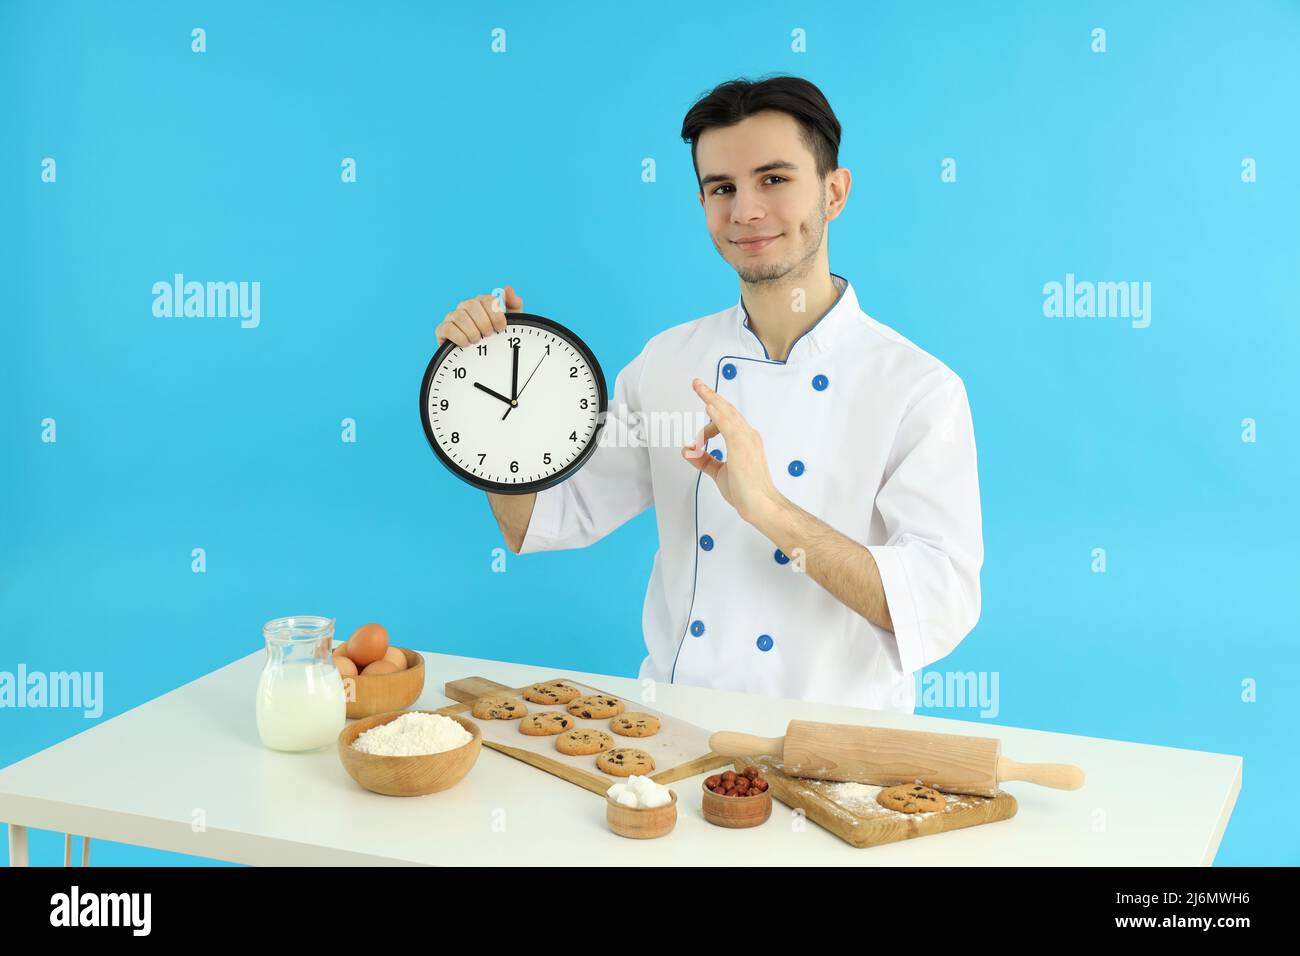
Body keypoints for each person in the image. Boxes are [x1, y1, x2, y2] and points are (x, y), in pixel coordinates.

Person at [435, 75, 983, 714]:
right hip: (672, 731)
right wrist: (482, 402)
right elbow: (542, 521)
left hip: (835, 748)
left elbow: (939, 607)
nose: (745, 210)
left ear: (834, 192)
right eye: (722, 188)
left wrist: (769, 509)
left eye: (774, 179)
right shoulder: (668, 362)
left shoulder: (918, 389)